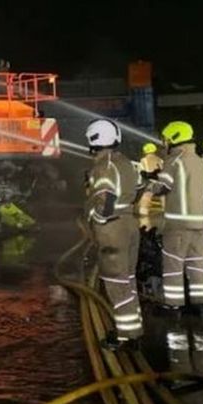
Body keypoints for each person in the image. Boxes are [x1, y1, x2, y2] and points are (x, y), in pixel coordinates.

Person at [84, 118, 145, 347]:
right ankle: (134, 330)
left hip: (113, 229)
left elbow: (106, 198)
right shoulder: (126, 162)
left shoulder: (103, 166)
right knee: (128, 282)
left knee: (116, 285)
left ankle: (126, 337)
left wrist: (99, 219)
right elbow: (139, 187)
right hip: (130, 224)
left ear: (92, 139)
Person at [154, 120, 203, 311]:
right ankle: (201, 305)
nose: (164, 144)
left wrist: (148, 184)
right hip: (200, 225)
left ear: (174, 139)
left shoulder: (173, 162)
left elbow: (162, 187)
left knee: (173, 265)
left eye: (165, 140)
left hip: (177, 225)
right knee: (196, 263)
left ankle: (174, 306)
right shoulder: (202, 163)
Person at [137, 142, 164, 229]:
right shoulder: (160, 160)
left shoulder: (143, 160)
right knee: (165, 204)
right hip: (160, 184)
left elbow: (141, 173)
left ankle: (146, 227)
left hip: (149, 184)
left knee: (144, 206)